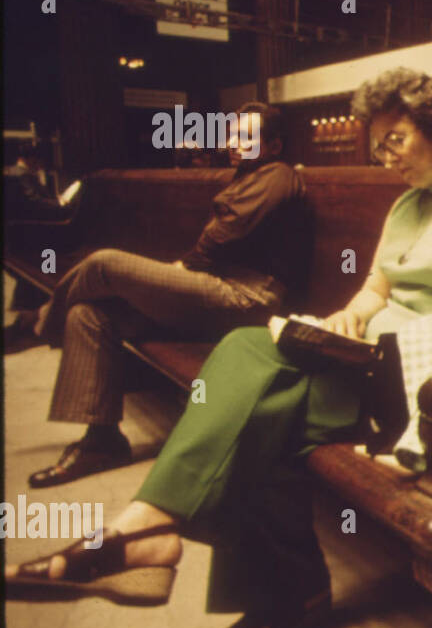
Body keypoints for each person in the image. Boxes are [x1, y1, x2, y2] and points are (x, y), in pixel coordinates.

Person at [6, 70, 432, 628]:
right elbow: (373, 291)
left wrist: (392, 341)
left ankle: (177, 543)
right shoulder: (407, 203)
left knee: (256, 399)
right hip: (366, 362)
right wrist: (345, 321)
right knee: (247, 359)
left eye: (395, 140)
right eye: (378, 144)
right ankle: (189, 546)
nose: (384, 156)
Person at [3, 104, 309, 490]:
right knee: (88, 312)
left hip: (247, 298)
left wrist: (183, 268)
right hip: (214, 291)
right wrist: (182, 270)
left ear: (274, 145)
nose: (233, 142)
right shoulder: (248, 175)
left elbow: (222, 235)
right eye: (232, 134)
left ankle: (38, 324)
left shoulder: (277, 176)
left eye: (246, 137)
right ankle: (102, 441)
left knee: (105, 264)